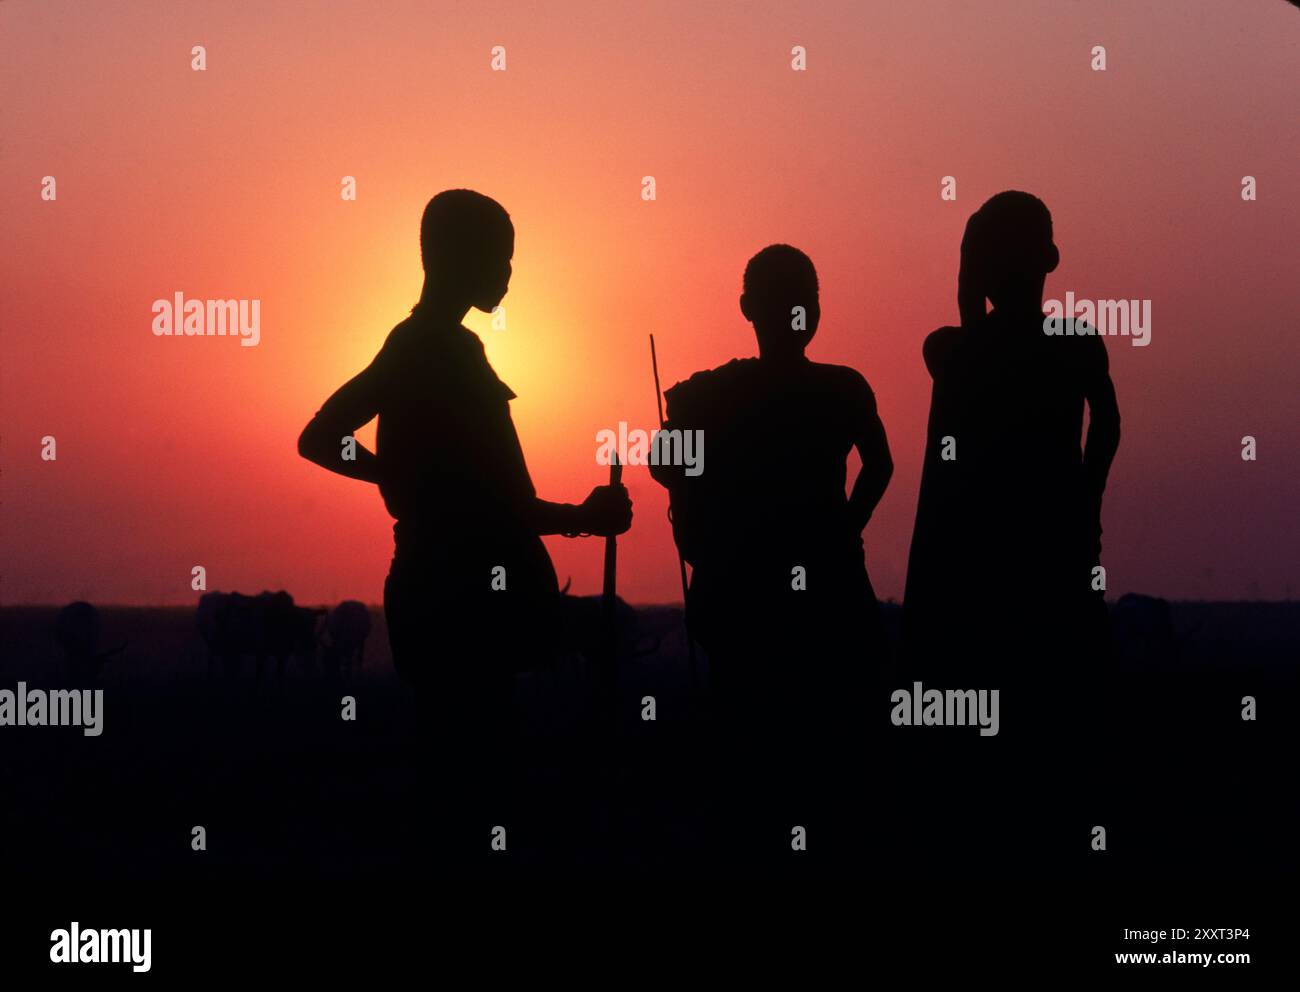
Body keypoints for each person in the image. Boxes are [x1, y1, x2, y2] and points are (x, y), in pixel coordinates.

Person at [298, 189, 631, 869]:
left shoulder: (430, 344)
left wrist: (403, 479)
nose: (507, 274)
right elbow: (499, 503)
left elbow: (335, 441)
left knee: (461, 772)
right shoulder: (431, 347)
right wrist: (586, 520)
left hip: (443, 591)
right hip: (461, 601)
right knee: (474, 782)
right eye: (497, 257)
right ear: (449, 257)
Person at [649, 244, 892, 872]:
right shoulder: (837, 388)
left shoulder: (717, 395)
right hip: (815, 599)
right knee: (825, 761)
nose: (800, 312)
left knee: (756, 759)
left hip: (755, 603)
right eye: (796, 300)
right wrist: (844, 529)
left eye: (804, 299)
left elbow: (665, 465)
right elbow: (881, 466)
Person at [902, 190, 1121, 873]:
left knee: (987, 749)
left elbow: (1106, 425)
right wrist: (1085, 504)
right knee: (1051, 736)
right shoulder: (1075, 342)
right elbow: (1108, 425)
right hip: (1050, 556)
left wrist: (968, 287)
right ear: (1050, 260)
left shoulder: (956, 351)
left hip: (981, 574)